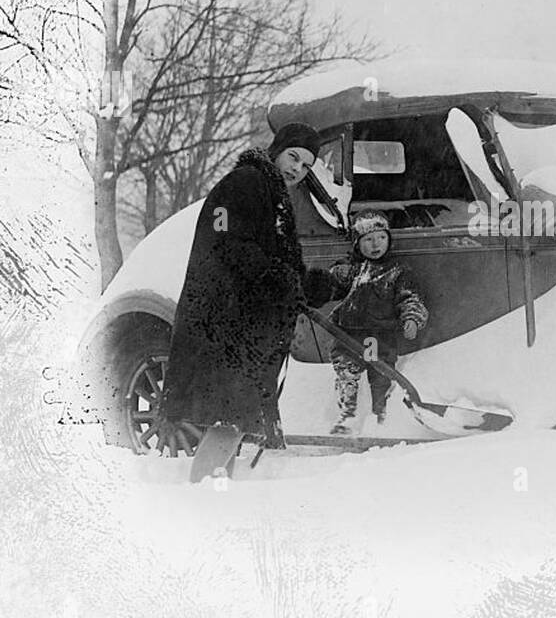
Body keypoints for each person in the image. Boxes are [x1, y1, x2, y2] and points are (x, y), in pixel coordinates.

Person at [161, 122, 327, 481]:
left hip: (240, 333)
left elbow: (278, 265)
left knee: (230, 427)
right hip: (225, 330)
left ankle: (214, 499)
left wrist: (315, 285)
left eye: (306, 165)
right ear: (277, 150)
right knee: (229, 425)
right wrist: (281, 278)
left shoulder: (272, 194)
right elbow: (229, 244)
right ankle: (201, 501)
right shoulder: (246, 183)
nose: (297, 169)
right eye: (293, 157)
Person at [326, 210, 429, 434]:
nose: (376, 244)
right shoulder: (350, 270)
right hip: (348, 334)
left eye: (382, 237)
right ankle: (347, 417)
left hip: (380, 335)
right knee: (346, 374)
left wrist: (412, 319)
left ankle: (381, 417)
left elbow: (410, 297)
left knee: (381, 376)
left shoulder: (398, 270)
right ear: (357, 244)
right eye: (368, 239)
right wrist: (327, 278)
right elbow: (330, 285)